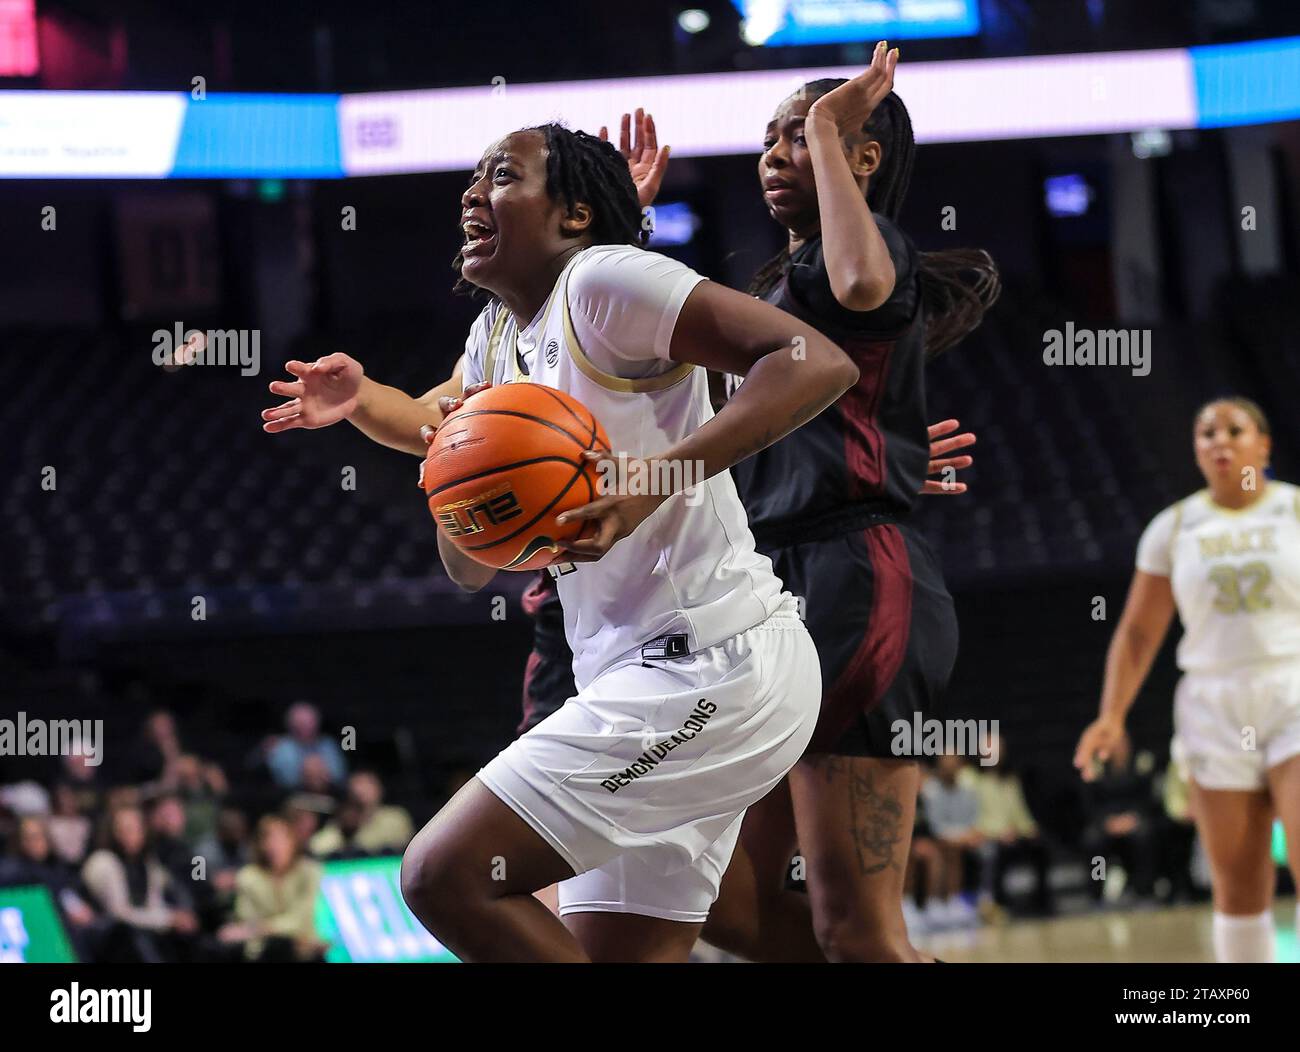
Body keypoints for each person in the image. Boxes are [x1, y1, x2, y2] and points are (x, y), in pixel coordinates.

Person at [263, 119, 859, 961]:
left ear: (575, 215)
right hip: (646, 675)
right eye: (472, 176)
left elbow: (813, 358)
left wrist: (652, 478)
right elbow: (441, 432)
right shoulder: (497, 342)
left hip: (712, 662)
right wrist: (363, 402)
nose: (472, 192)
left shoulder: (604, 281)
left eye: (503, 175)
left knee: (443, 873)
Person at [689, 44, 997, 962]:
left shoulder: (865, 255)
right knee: (721, 901)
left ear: (860, 158)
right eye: (772, 138)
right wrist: (876, 445)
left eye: (803, 134)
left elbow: (861, 284)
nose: (777, 152)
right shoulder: (778, 289)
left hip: (852, 581)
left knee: (856, 932)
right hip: (773, 583)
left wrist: (829, 121)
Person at [1075, 397, 1300, 962]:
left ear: (1263, 445)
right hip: (1211, 703)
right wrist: (1111, 715)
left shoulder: (1293, 511)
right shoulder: (1174, 526)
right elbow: (1137, 634)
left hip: (1291, 686)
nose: (1220, 441)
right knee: (1240, 888)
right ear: (1195, 449)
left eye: (1234, 430)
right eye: (1206, 433)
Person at [81, 805, 199, 963]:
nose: (129, 835)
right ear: (112, 832)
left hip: (140, 927)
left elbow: (153, 905)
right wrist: (168, 919)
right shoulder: (103, 861)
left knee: (185, 933)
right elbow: (119, 913)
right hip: (107, 934)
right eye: (123, 829)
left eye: (136, 829)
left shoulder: (147, 862)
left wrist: (177, 918)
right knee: (135, 934)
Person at [222, 815, 326, 962]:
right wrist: (263, 930)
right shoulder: (248, 876)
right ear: (260, 845)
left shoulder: (311, 872)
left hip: (305, 949)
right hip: (263, 951)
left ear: (292, 841)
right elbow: (246, 918)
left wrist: (264, 928)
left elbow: (302, 920)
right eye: (268, 839)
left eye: (280, 839)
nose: (274, 846)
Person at [266, 701, 347, 790]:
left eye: (309, 722)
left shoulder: (327, 743)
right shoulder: (282, 746)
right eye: (300, 722)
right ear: (291, 725)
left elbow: (339, 774)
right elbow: (286, 779)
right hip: (294, 796)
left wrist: (319, 771)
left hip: (329, 794)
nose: (306, 726)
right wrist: (309, 771)